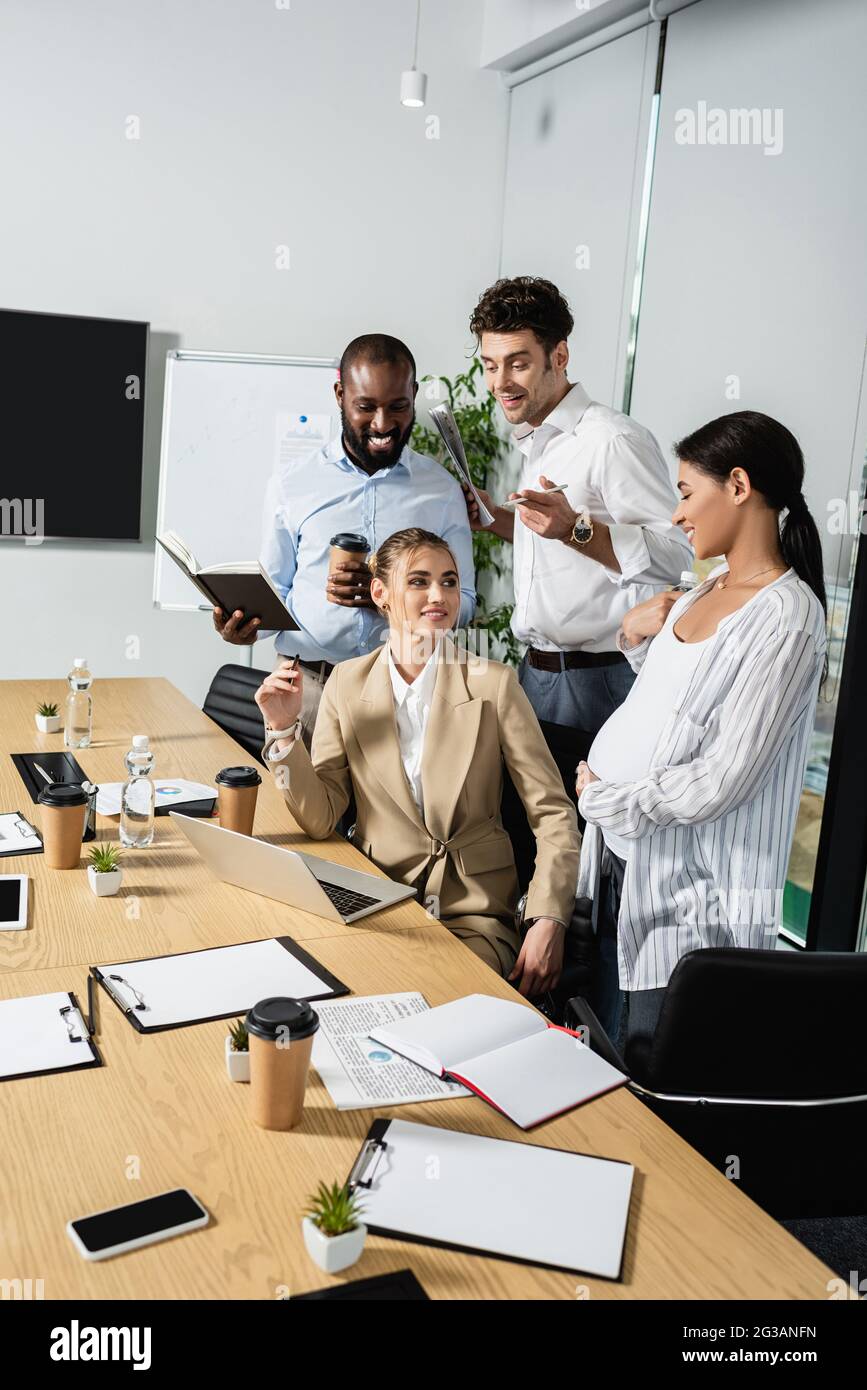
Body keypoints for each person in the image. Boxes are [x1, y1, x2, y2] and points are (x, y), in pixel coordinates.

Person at [573, 411, 828, 1051]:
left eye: (687, 493)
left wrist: (608, 799)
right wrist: (633, 637)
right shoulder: (702, 589)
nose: (678, 514)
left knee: (658, 1083)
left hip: (689, 899)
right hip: (618, 861)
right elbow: (675, 702)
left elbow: (724, 778)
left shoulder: (789, 618)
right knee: (604, 1060)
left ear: (738, 485)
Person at [254, 527, 580, 992]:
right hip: (380, 906)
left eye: (449, 581)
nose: (438, 595)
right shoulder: (346, 684)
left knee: (436, 1002)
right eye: (419, 581)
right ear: (380, 593)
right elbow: (321, 816)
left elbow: (553, 814)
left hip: (474, 917)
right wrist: (284, 732)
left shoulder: (493, 684)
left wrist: (550, 917)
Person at [214, 334, 475, 745]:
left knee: (395, 812)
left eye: (398, 406)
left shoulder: (441, 491)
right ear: (340, 395)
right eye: (366, 407)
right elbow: (277, 589)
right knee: (296, 809)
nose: (383, 424)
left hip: (405, 690)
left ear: (414, 395)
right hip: (307, 689)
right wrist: (245, 629)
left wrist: (391, 602)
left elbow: (468, 601)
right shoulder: (292, 483)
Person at [464, 276, 692, 738]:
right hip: (535, 673)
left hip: (600, 680)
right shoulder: (538, 437)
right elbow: (552, 536)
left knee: (583, 811)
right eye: (490, 365)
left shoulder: (613, 441)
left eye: (517, 364)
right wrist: (497, 521)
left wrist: (575, 530)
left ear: (559, 357)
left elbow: (676, 554)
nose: (499, 383)